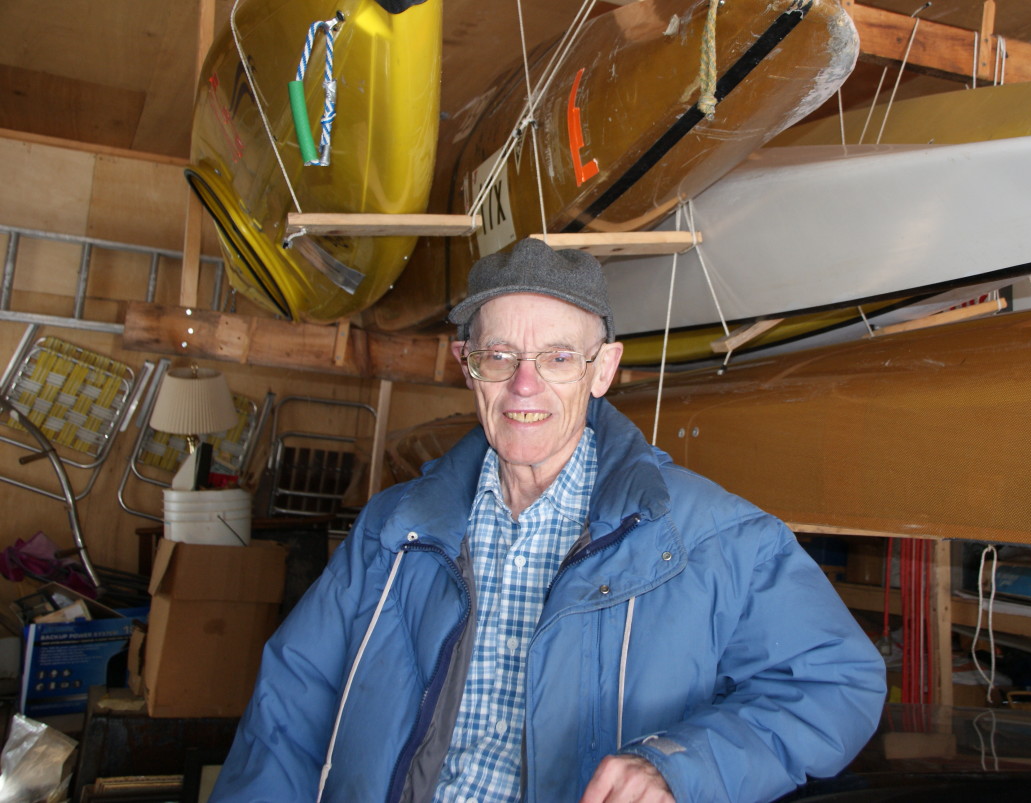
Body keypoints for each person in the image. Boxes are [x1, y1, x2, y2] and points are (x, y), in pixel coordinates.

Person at [210, 238, 886, 803]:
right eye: (500, 355)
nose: (524, 386)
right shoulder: (396, 530)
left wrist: (681, 766)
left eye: (558, 357)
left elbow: (838, 682)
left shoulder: (712, 538)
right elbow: (288, 709)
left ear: (603, 370)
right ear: (467, 367)